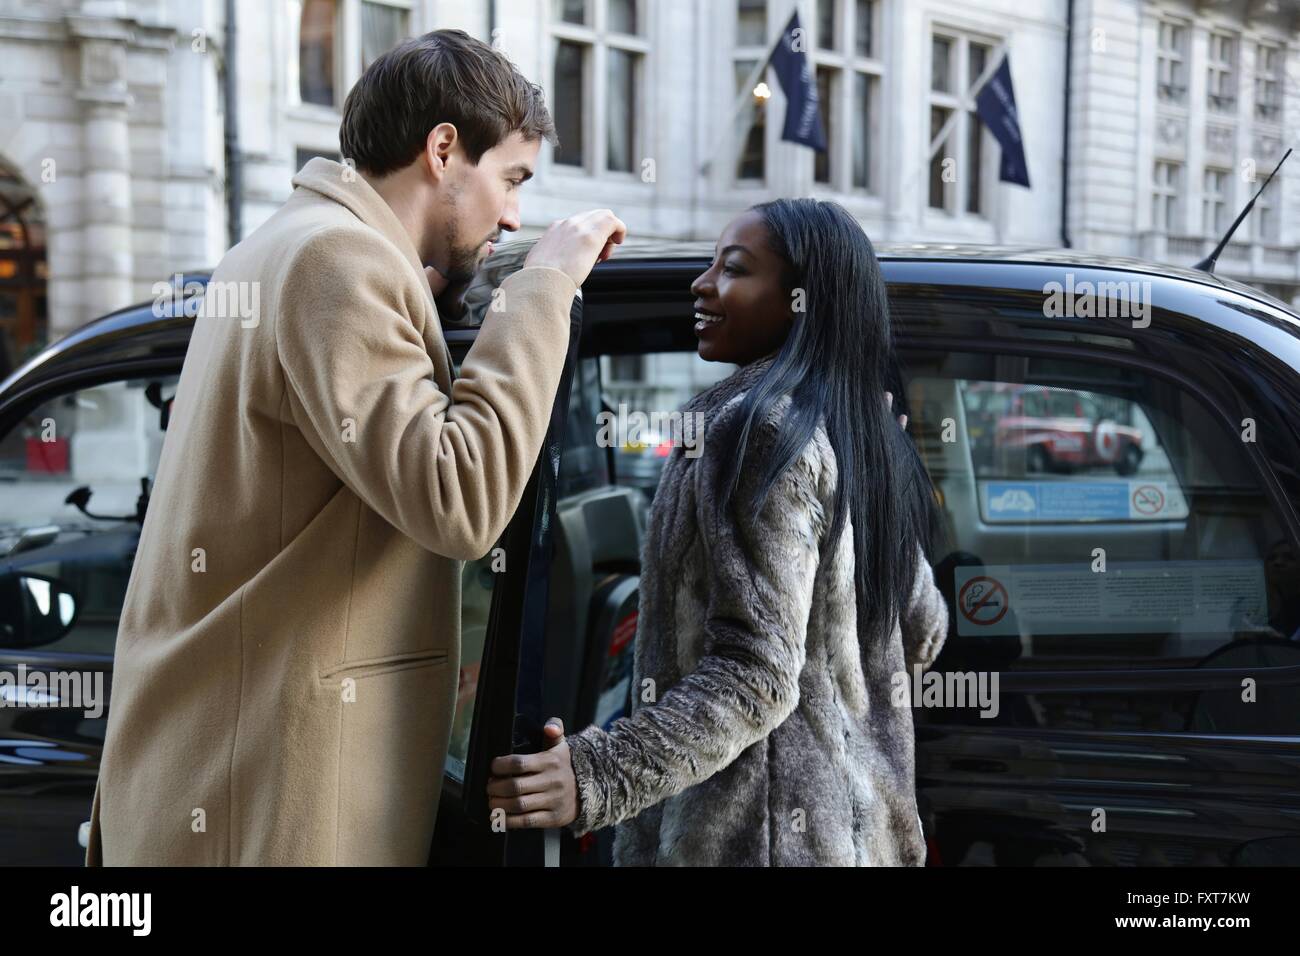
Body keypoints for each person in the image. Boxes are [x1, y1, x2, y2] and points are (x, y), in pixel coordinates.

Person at [86, 29, 625, 866]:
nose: (516, 214)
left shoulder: (286, 244)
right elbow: (460, 500)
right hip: (270, 799)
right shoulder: (336, 261)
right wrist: (543, 286)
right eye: (512, 178)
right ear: (444, 149)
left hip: (230, 772)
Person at [487, 198, 949, 865]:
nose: (702, 285)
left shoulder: (753, 432)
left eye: (733, 270)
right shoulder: (855, 437)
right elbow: (923, 634)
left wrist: (596, 775)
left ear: (801, 300)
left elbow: (755, 674)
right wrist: (880, 468)